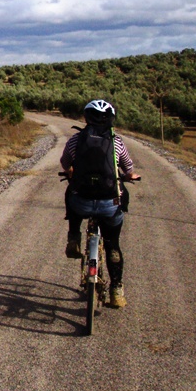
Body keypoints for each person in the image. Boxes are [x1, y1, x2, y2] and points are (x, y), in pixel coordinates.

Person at [59, 99, 140, 308]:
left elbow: (65, 162)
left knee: (72, 191)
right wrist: (130, 175)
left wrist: (71, 172)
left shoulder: (77, 140)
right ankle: (117, 291)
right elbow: (128, 167)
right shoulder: (117, 142)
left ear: (86, 117)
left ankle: (74, 236)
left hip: (82, 203)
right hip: (109, 204)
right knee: (113, 245)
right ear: (111, 118)